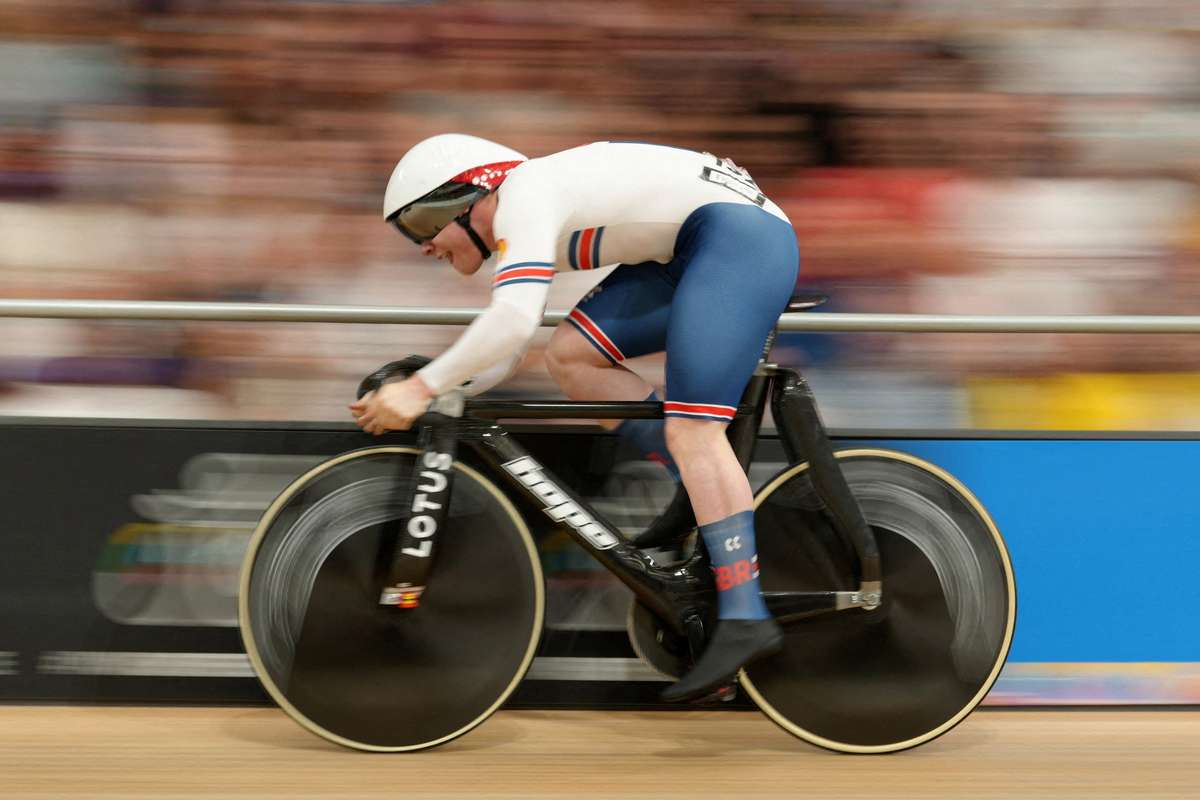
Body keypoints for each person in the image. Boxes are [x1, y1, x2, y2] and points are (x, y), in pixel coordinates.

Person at [350, 134, 799, 702]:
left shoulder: (524, 193)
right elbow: (511, 346)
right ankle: (695, 487)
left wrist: (421, 387)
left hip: (739, 243)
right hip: (699, 245)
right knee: (570, 357)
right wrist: (442, 388)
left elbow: (511, 322)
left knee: (695, 430)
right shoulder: (525, 204)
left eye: (419, 226)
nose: (422, 247)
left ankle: (743, 615)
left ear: (466, 198)